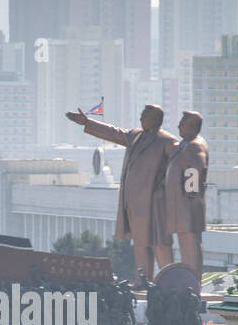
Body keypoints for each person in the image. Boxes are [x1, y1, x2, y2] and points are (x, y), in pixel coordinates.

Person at [66, 103, 178, 281]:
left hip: (156, 204)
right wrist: (88, 122)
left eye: (144, 116)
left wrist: (168, 190)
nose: (140, 118)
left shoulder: (168, 141)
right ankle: (143, 282)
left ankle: (171, 282)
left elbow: (181, 166)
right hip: (135, 204)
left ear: (156, 120)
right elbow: (114, 132)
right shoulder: (135, 136)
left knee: (160, 244)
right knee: (141, 245)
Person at [163, 110, 209, 283]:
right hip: (183, 206)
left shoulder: (194, 145)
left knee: (190, 247)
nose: (178, 126)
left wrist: (189, 195)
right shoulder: (186, 143)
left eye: (182, 123)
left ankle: (192, 284)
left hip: (188, 206)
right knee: (185, 246)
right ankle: (189, 282)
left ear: (192, 126)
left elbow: (196, 168)